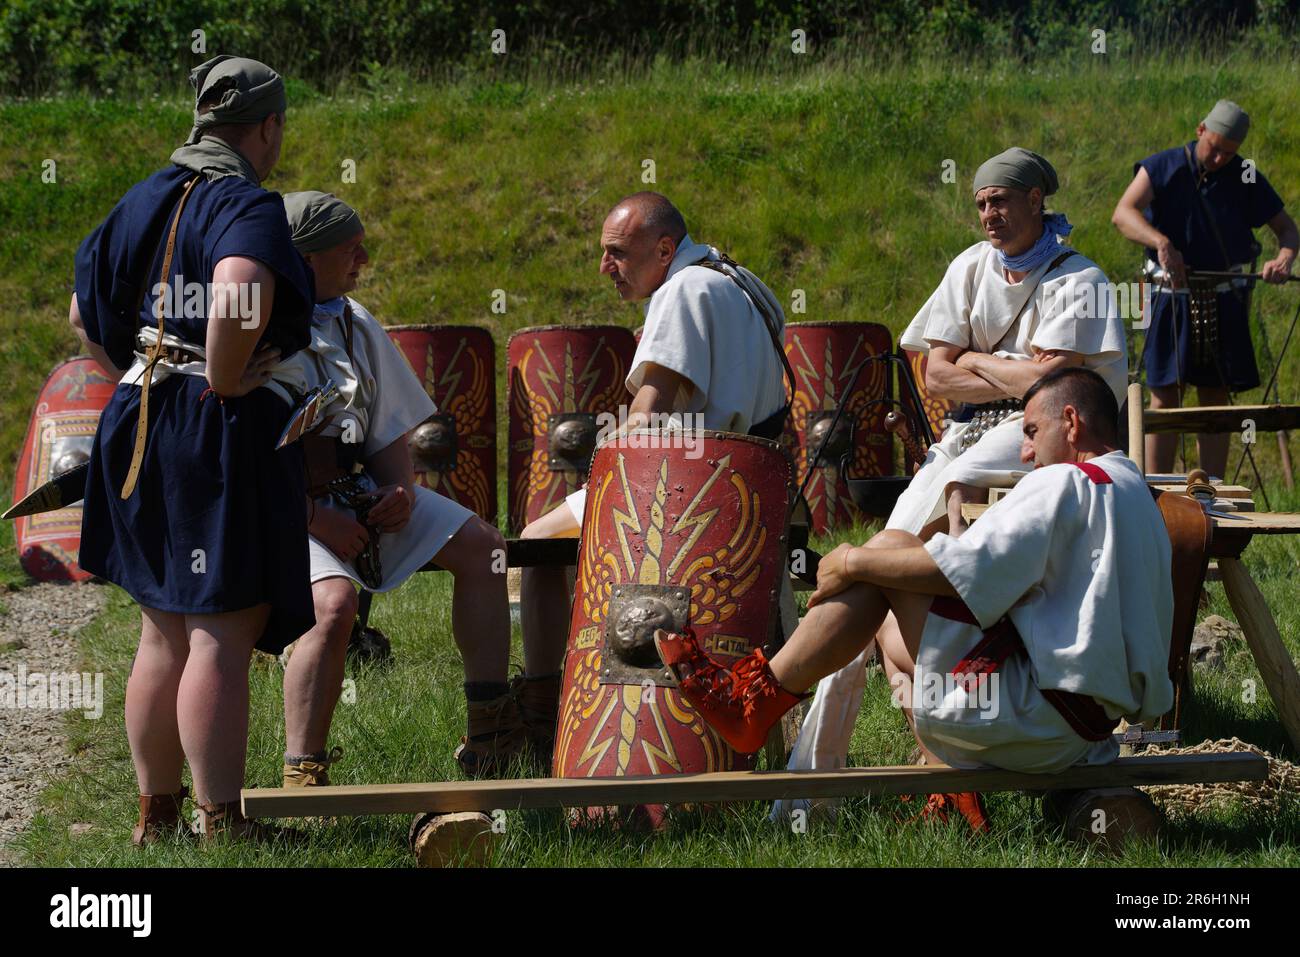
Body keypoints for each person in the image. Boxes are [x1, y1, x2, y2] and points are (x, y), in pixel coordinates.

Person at [656, 367, 1174, 831]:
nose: (1025, 452)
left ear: (1071, 421)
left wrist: (849, 561)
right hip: (1085, 734)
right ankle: (949, 787)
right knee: (887, 597)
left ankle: (752, 700)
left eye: (1032, 432)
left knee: (889, 551)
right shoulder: (1139, 494)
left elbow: (959, 572)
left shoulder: (1064, 482)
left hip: (1031, 720)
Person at [783, 147, 1129, 793]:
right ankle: (820, 771)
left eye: (1000, 200)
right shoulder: (971, 266)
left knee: (889, 548)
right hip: (965, 432)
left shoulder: (1080, 280)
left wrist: (978, 361)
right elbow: (934, 372)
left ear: (1035, 200)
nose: (989, 214)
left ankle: (810, 768)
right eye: (980, 203)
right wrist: (1009, 367)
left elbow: (1052, 386)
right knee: (895, 539)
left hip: (1042, 437)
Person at [68, 56, 316, 842]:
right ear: (267, 128)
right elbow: (241, 280)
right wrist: (226, 372)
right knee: (221, 629)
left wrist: (141, 370)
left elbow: (83, 311)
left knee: (163, 631)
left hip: (141, 415)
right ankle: (223, 821)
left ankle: (157, 816)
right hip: (214, 428)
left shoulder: (145, 195)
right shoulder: (245, 202)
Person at [516, 192, 790, 761]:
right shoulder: (744, 283)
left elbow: (647, 420)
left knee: (536, 545)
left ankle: (538, 716)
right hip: (745, 495)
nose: (604, 267)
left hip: (679, 489)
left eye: (617, 253)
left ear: (665, 249)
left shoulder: (683, 289)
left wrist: (612, 444)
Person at [277, 191, 518, 783]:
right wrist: (314, 517)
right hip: (276, 502)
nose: (363, 260)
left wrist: (402, 491)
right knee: (334, 607)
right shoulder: (255, 324)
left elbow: (384, 430)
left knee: (485, 547)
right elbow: (243, 456)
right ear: (304, 259)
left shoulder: (355, 323)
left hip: (350, 489)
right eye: (349, 250)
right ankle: (302, 769)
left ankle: (490, 732)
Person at [1112, 99, 1299, 477]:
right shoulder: (1162, 166)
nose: (1218, 159)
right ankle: (1153, 491)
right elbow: (1124, 213)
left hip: (1223, 298)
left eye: (1228, 153)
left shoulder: (1245, 173)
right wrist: (1161, 241)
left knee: (1215, 396)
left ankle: (1210, 490)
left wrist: (1284, 259)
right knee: (1165, 395)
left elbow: (1288, 230)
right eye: (1213, 147)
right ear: (1200, 130)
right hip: (1169, 297)